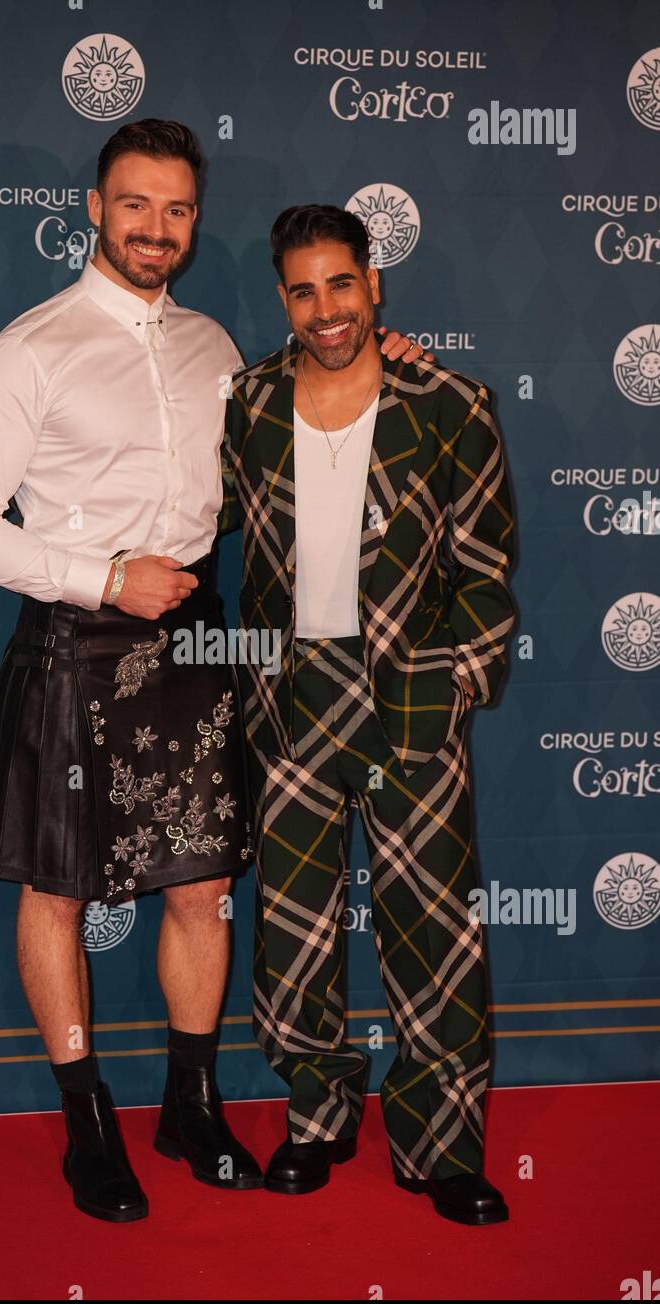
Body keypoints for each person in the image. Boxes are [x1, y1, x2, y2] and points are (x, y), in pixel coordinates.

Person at [0, 120, 428, 1222]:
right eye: (135, 205)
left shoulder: (215, 346)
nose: (155, 227)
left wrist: (389, 362)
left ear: (194, 221)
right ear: (98, 209)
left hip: (200, 644)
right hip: (75, 642)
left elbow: (316, 405)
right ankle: (85, 1126)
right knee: (58, 894)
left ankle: (188, 1103)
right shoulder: (31, 348)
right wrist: (98, 575)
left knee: (203, 885)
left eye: (177, 210)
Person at [219, 204, 516, 1225]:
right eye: (301, 290)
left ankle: (442, 1145)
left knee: (432, 931)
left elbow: (482, 568)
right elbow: (196, 514)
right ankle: (317, 1116)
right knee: (292, 928)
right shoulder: (248, 403)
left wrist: (460, 677)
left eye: (339, 284)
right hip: (289, 694)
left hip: (409, 700)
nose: (324, 309)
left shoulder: (447, 400)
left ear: (372, 283)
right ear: (282, 300)